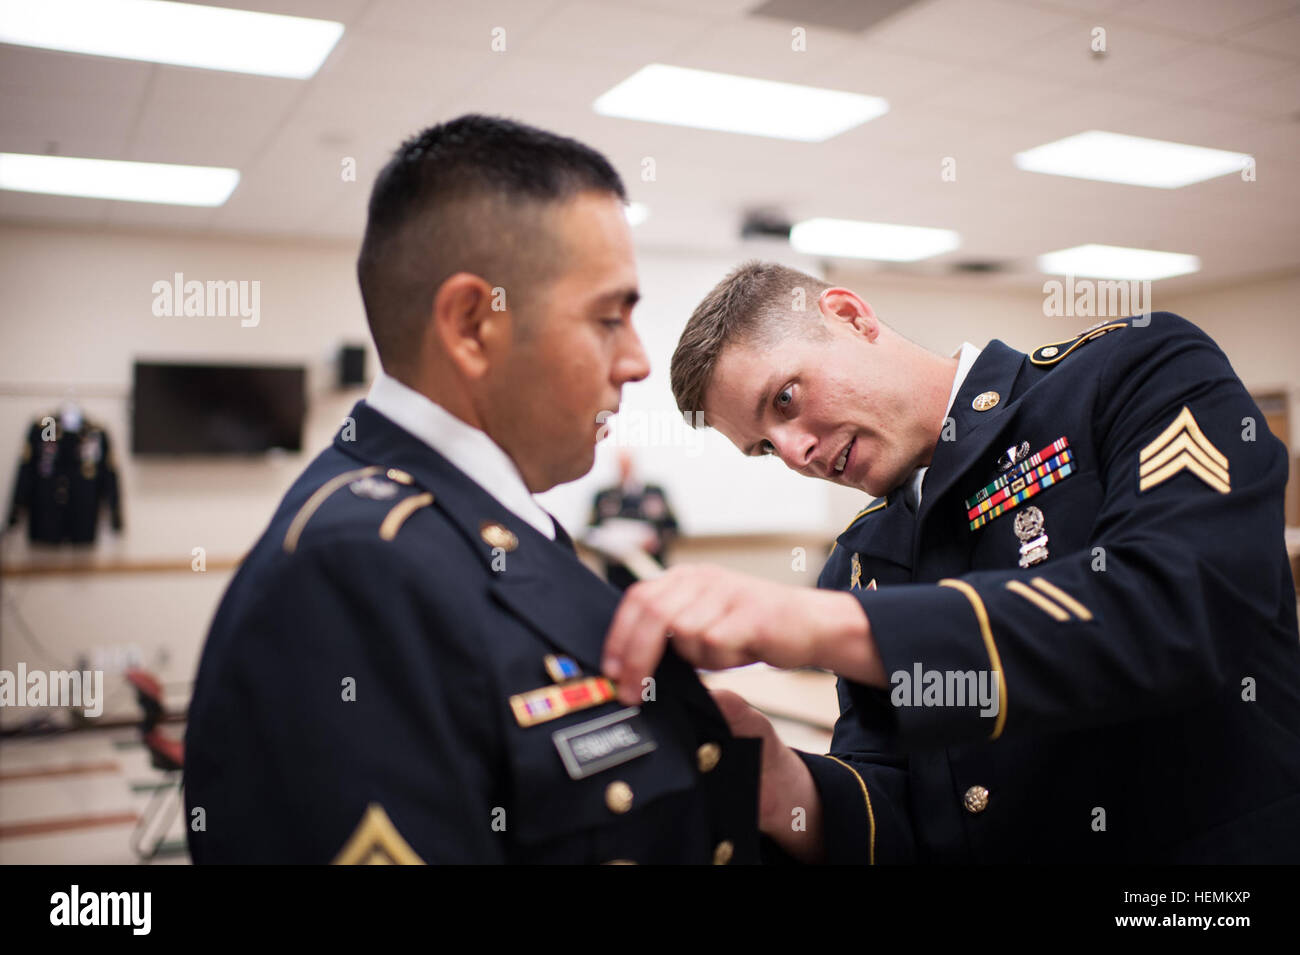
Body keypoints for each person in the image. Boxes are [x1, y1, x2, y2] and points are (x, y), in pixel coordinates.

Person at [183, 117, 763, 865]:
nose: (637, 361)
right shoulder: (354, 574)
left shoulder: (495, 526)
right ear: (471, 324)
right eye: (608, 317)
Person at [601, 260, 1300, 863]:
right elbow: (903, 809)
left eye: (786, 399)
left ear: (850, 316)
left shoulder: (1131, 374)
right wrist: (782, 777)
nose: (794, 454)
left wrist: (824, 626)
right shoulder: (859, 561)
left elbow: (1170, 610)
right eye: (763, 447)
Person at [587, 449, 678, 590]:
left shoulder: (654, 492)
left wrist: (655, 541)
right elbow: (591, 530)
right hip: (617, 575)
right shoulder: (604, 496)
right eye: (621, 465)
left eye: (627, 464)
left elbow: (673, 527)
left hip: (650, 569)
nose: (625, 469)